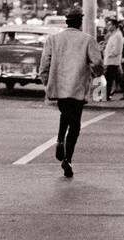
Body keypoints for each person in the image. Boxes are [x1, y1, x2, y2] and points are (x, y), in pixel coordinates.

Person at [41, 11, 102, 179]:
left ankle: (60, 139)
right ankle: (68, 158)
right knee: (75, 124)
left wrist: (47, 82)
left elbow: (44, 63)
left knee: (65, 113)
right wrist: (95, 73)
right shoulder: (87, 40)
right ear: (80, 23)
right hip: (77, 86)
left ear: (67, 23)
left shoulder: (53, 39)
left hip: (60, 87)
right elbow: (97, 62)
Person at [102, 17, 124, 100]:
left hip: (112, 60)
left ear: (114, 26)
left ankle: (106, 95)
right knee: (117, 77)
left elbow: (117, 49)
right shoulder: (114, 34)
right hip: (111, 60)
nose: (108, 26)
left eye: (109, 25)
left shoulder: (117, 35)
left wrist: (109, 54)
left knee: (109, 79)